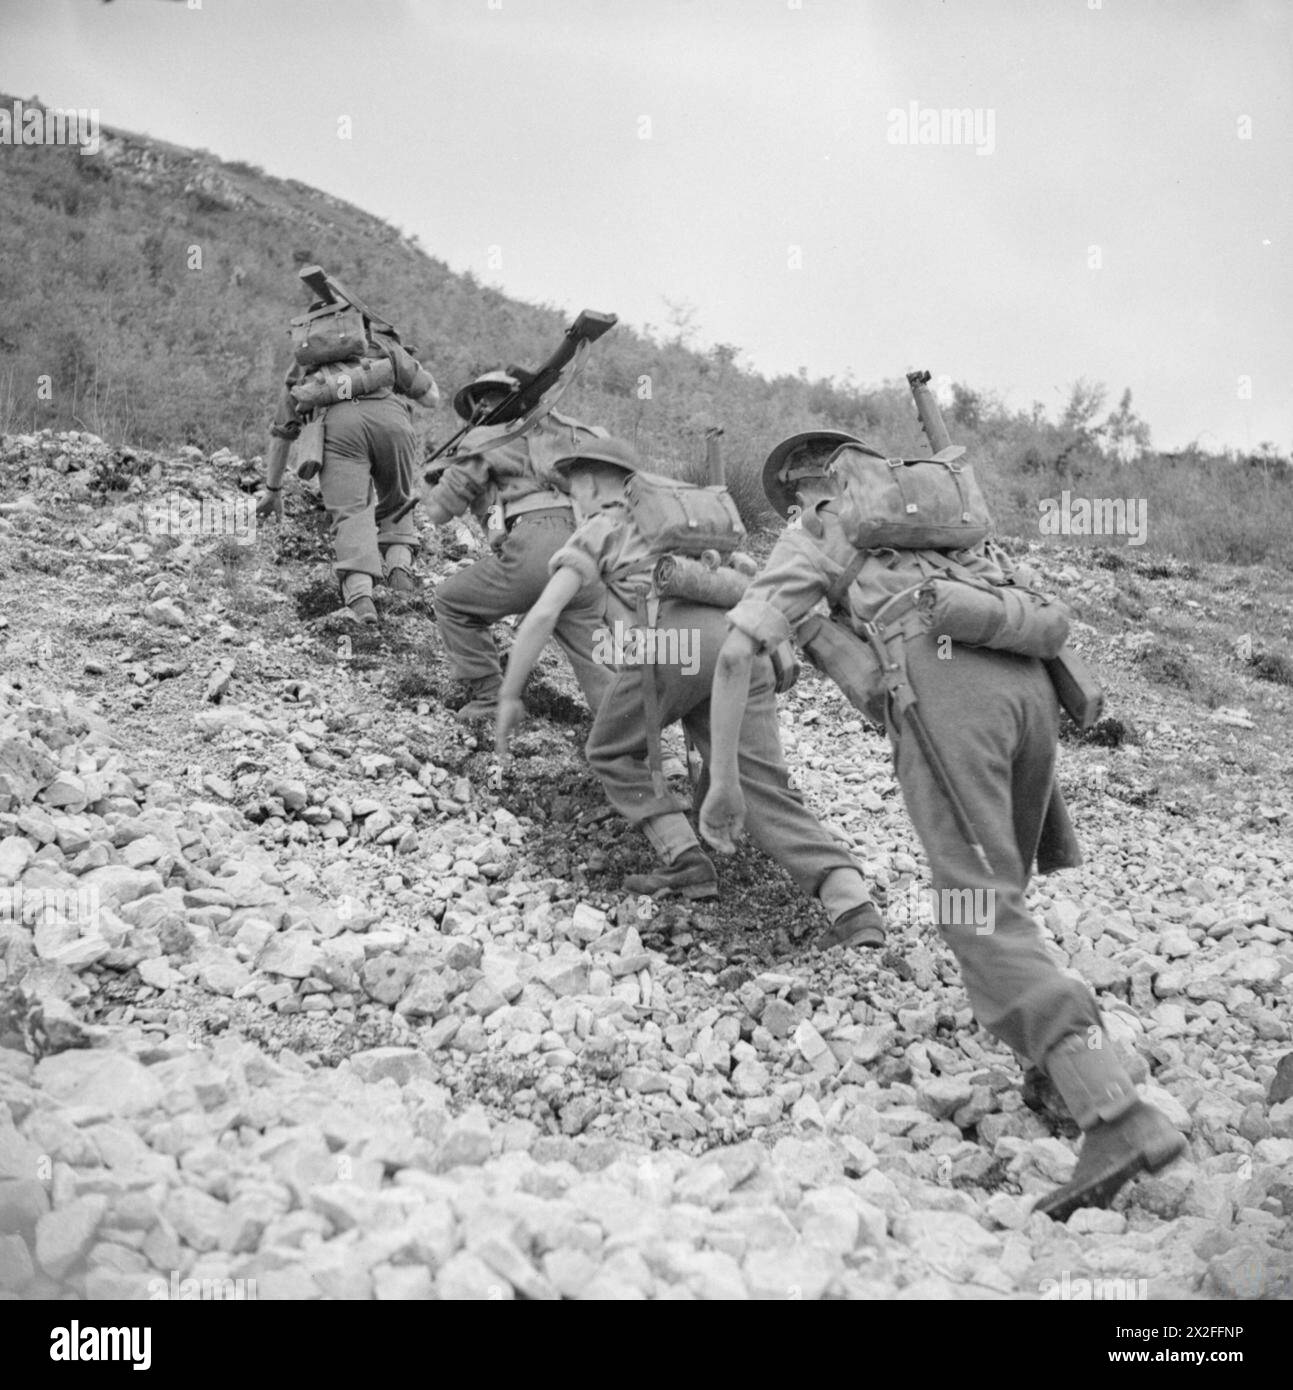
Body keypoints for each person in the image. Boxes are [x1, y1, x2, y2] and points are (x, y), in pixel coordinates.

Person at [700, 431, 1187, 1220]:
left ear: (800, 491)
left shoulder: (817, 532)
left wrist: (723, 782)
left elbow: (735, 654)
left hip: (948, 699)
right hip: (1030, 695)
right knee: (1003, 891)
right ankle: (1056, 1067)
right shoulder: (947, 523)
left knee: (975, 909)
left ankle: (1114, 1113)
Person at [494, 436, 884, 944]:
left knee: (612, 749)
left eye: (573, 491)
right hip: (743, 650)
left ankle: (684, 858)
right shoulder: (699, 522)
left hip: (673, 646)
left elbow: (546, 611)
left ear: (588, 483)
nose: (575, 501)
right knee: (761, 785)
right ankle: (850, 904)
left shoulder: (604, 526)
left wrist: (509, 695)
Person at [419, 373, 613, 722]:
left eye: (480, 403)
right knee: (597, 661)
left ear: (485, 404)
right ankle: (638, 741)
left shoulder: (484, 439)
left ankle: (490, 698)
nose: (477, 411)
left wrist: (432, 482)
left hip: (536, 543)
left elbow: (439, 511)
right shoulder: (561, 434)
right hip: (585, 548)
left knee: (452, 602)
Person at [258, 307, 439, 624]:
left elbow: (282, 435)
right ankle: (399, 572)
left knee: (352, 512)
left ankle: (362, 601)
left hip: (339, 429)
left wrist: (273, 490)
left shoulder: (302, 368)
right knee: (396, 499)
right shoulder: (383, 345)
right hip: (392, 422)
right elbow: (431, 398)